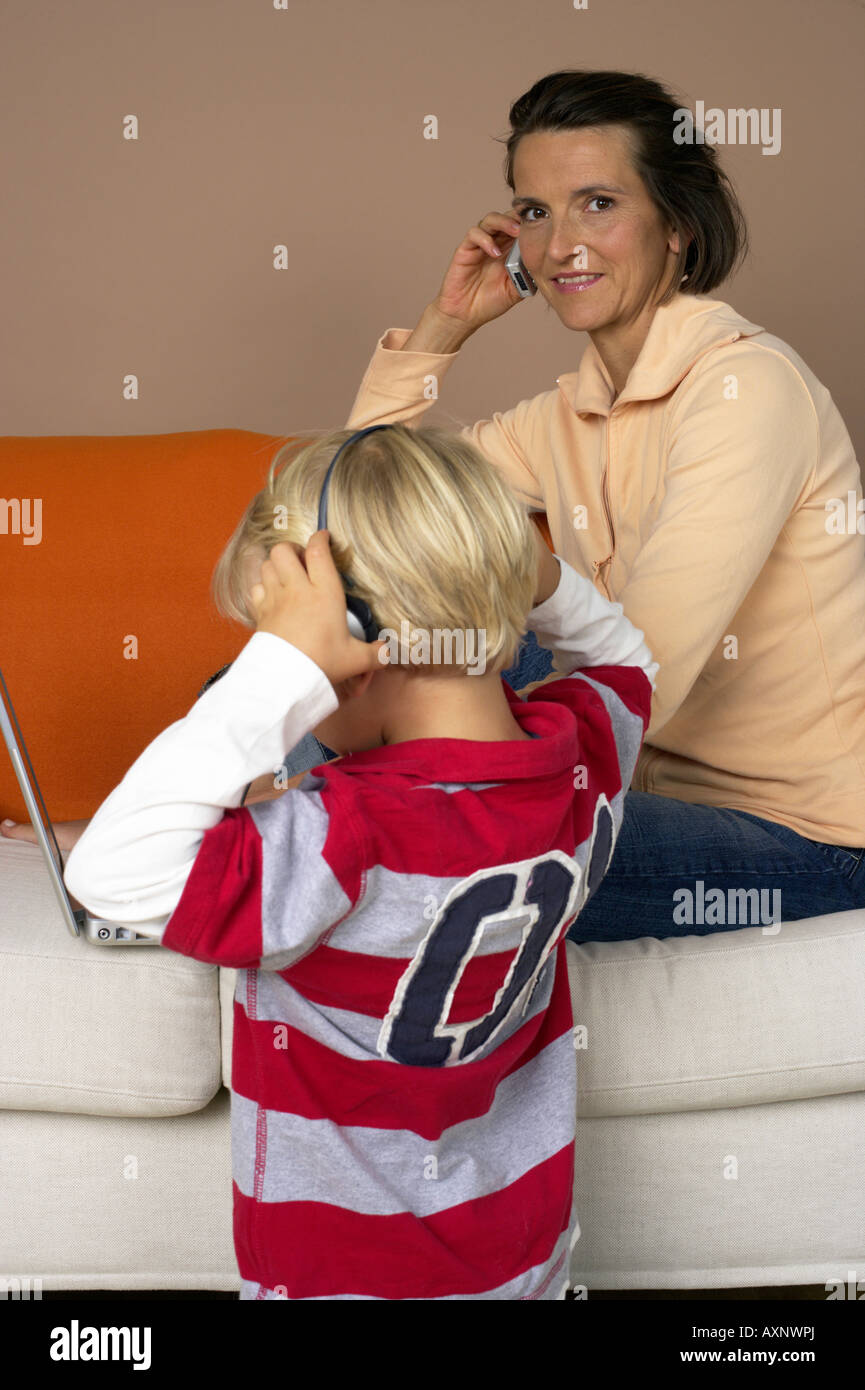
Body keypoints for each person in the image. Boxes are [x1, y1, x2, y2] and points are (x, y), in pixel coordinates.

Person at [62, 422, 657, 1301]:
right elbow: (627, 659)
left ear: (358, 646)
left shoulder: (341, 834)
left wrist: (277, 671)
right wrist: (535, 573)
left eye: (293, 656)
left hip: (342, 1279)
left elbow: (111, 873)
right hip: (522, 1259)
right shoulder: (581, 758)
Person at [343, 68, 865, 942]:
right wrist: (442, 328)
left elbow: (639, 677)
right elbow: (366, 512)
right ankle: (230, 842)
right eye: (536, 213)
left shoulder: (747, 389)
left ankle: (237, 851)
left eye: (597, 204)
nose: (558, 248)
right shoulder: (560, 417)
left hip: (805, 838)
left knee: (438, 820)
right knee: (348, 653)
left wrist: (427, 741)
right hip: (637, 793)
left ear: (677, 229)